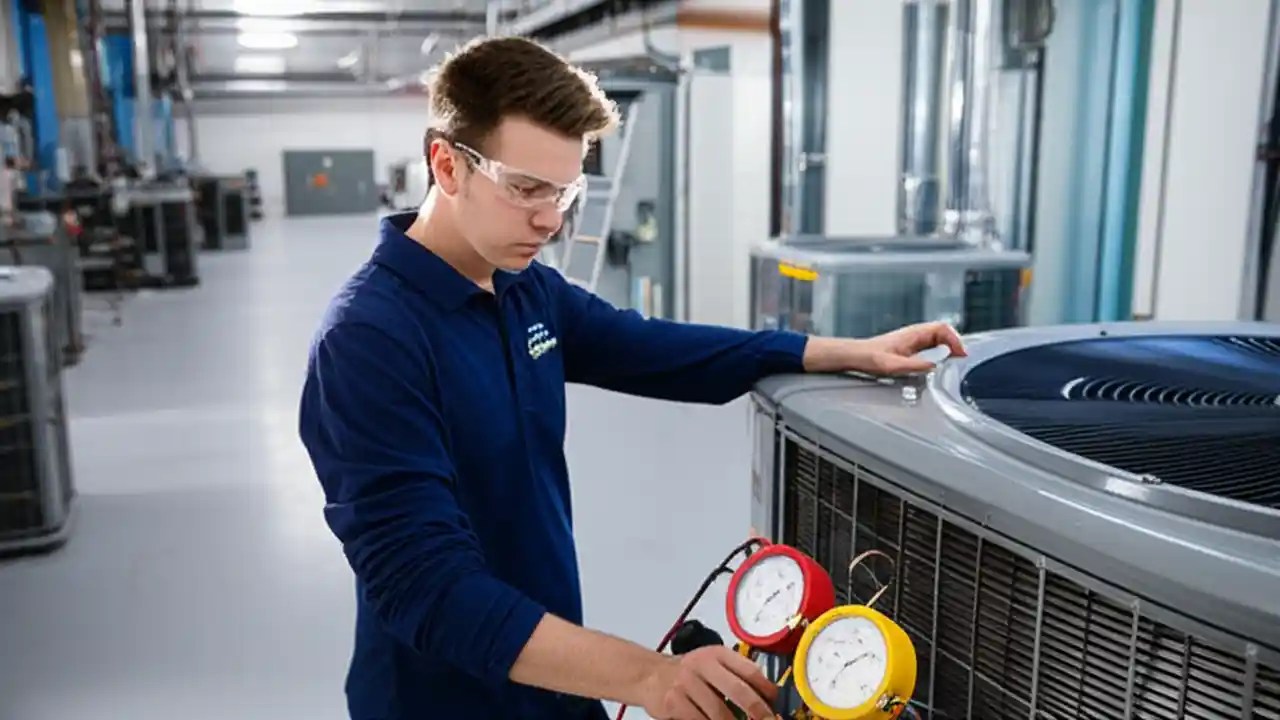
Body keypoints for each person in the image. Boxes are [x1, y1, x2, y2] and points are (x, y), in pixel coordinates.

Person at [297, 35, 966, 720]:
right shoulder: (369, 342)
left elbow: (654, 348)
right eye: (525, 189)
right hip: (440, 699)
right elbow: (426, 587)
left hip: (556, 678)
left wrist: (832, 350)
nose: (551, 220)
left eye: (565, 191)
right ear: (446, 163)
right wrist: (649, 678)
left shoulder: (524, 289)